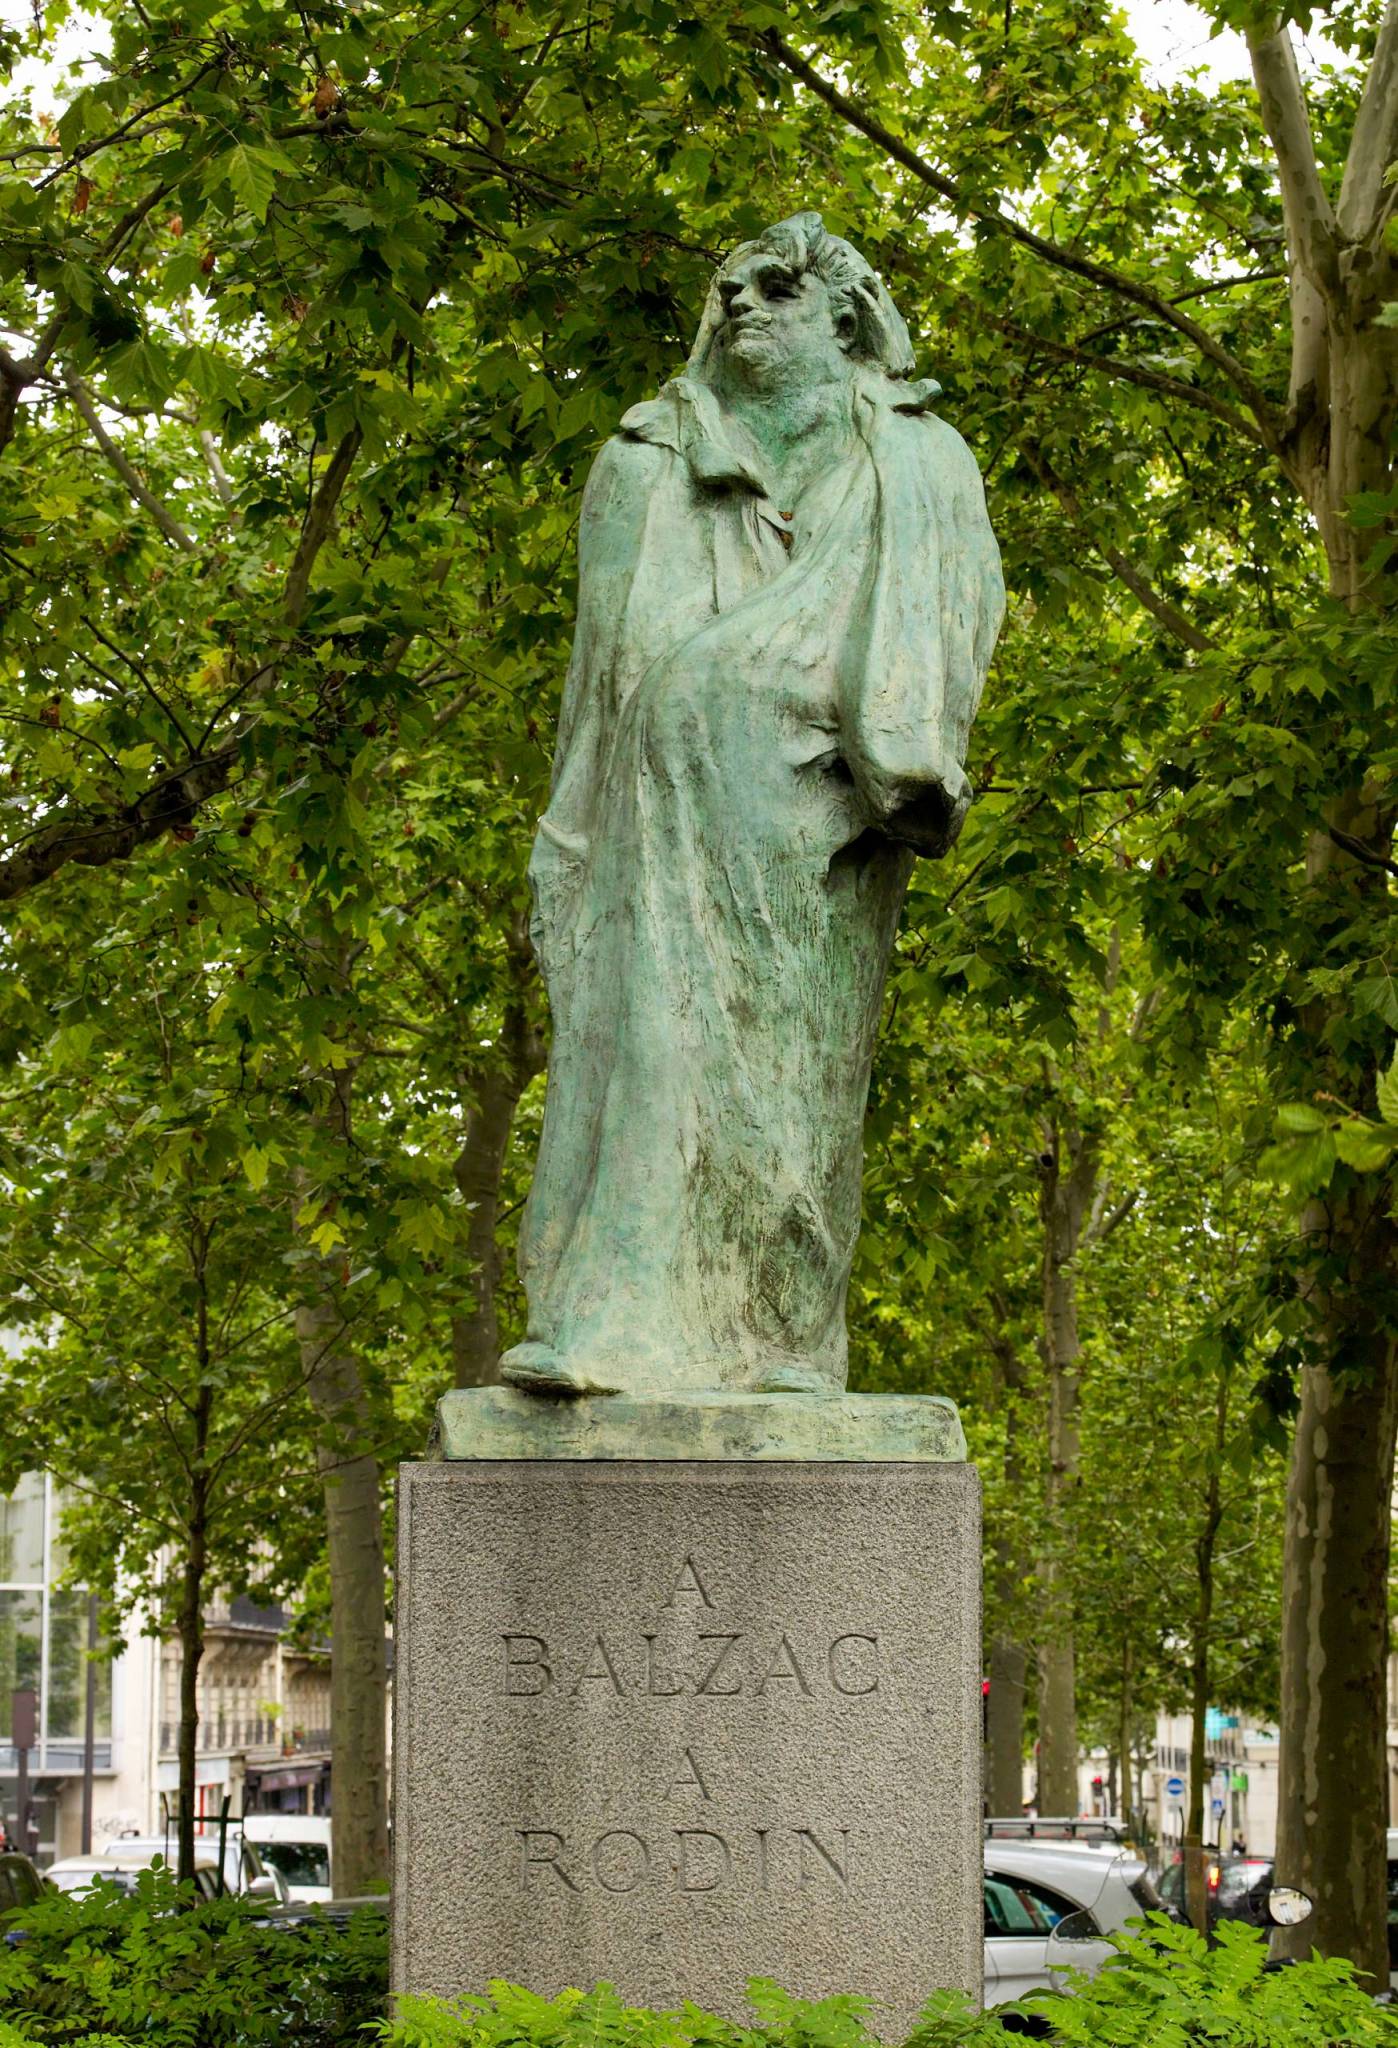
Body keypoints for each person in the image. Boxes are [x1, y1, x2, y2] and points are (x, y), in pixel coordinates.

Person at [502, 210, 1004, 1397]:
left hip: (821, 822)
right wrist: (568, 849)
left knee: (802, 1079)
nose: (741, 304)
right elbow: (598, 683)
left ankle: (783, 1339)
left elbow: (955, 622)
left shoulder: (922, 461)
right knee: (647, 1053)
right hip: (654, 826)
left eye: (775, 286)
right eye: (728, 288)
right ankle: (608, 1320)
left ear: (848, 317)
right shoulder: (643, 464)